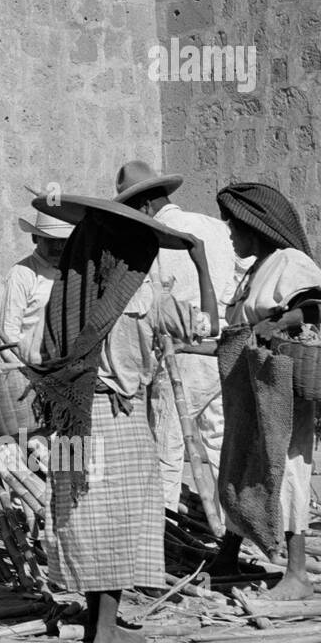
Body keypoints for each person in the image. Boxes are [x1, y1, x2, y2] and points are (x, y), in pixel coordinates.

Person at [29, 189, 217, 643]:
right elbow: (208, 325)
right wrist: (202, 263)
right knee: (119, 520)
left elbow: (36, 353)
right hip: (118, 415)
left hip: (69, 418)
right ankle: (107, 631)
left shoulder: (66, 295)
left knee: (85, 517)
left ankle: (98, 623)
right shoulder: (145, 296)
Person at [210, 182, 321, 600]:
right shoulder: (255, 269)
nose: (230, 235)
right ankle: (227, 555)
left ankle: (297, 573)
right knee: (239, 462)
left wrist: (281, 324)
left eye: (234, 227)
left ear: (254, 226)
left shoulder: (289, 260)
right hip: (248, 387)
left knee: (285, 468)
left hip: (280, 386)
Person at [113, 160, 238, 516]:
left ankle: (165, 523)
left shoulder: (152, 239)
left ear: (144, 205)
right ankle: (228, 526)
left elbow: (149, 305)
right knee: (217, 441)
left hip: (179, 355)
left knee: (168, 445)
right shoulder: (216, 229)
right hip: (220, 350)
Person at [0, 210, 73, 364]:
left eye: (63, 241)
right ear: (35, 237)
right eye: (50, 240)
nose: (58, 246)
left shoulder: (73, 272)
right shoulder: (22, 274)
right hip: (33, 363)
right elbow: (9, 331)